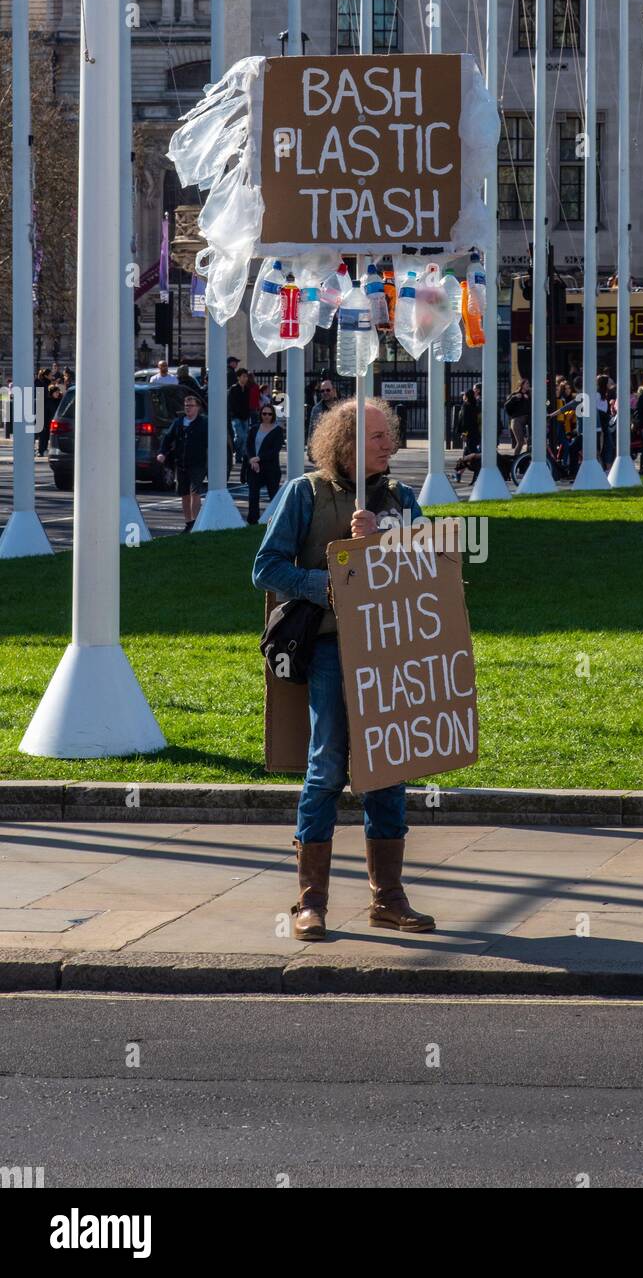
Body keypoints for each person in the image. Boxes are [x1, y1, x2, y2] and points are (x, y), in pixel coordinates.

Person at [252, 398, 436, 941]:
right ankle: (310, 903)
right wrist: (329, 583)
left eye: (388, 435)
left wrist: (380, 540)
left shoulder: (402, 499)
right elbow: (267, 567)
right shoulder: (304, 494)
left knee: (387, 768)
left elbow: (426, 568)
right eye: (377, 437)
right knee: (327, 764)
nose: (390, 445)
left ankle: (389, 899)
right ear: (345, 444)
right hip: (332, 650)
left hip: (386, 651)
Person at [157, 392, 208, 530]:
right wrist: (162, 453)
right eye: (186, 406)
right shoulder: (178, 422)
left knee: (195, 492)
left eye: (191, 406)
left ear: (197, 407)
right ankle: (189, 522)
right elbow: (168, 438)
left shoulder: (204, 423)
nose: (188, 408)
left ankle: (196, 524)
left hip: (198, 463)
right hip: (181, 463)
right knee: (184, 494)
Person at [244, 403, 284, 524]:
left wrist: (258, 458)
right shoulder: (254, 428)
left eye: (269, 414)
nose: (266, 416)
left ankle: (276, 520)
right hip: (253, 467)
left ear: (273, 415)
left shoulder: (277, 430)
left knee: (273, 495)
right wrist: (251, 459)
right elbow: (248, 446)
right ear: (260, 414)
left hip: (270, 468)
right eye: (264, 413)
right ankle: (252, 521)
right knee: (253, 496)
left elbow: (275, 450)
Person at [228, 367, 251, 467]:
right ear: (238, 377)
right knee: (241, 436)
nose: (245, 378)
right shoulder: (233, 389)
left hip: (245, 416)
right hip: (236, 416)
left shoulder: (247, 389)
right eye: (243, 376)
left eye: (246, 377)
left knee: (244, 438)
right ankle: (232, 449)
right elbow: (231, 403)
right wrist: (232, 413)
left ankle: (238, 457)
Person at [306, 378, 337, 447]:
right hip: (322, 449)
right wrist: (310, 451)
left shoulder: (341, 407)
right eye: (322, 391)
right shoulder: (316, 409)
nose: (325, 392)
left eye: (328, 390)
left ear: (334, 391)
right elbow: (312, 432)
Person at [504, 379, 530, 452]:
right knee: (520, 442)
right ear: (522, 385)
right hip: (517, 420)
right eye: (526, 384)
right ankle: (515, 458)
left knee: (530, 442)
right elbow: (506, 406)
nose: (528, 385)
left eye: (528, 384)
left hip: (528, 421)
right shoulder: (515, 394)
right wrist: (514, 398)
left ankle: (527, 457)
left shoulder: (529, 395)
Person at [457, 387, 481, 456]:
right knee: (468, 449)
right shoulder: (475, 406)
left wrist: (464, 433)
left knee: (471, 450)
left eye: (464, 395)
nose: (463, 396)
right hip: (475, 431)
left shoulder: (465, 406)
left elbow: (464, 421)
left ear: (467, 396)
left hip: (468, 432)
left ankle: (473, 464)